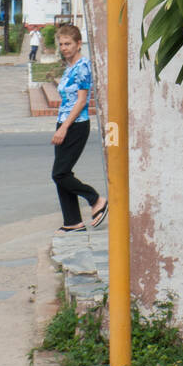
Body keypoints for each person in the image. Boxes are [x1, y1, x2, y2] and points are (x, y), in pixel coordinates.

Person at [51, 24, 107, 233]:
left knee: (60, 173)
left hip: (76, 125)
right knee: (62, 173)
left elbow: (82, 101)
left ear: (78, 44)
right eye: (61, 44)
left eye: (68, 44)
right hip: (64, 123)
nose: (64, 48)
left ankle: (96, 199)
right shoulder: (70, 67)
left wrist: (64, 128)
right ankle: (72, 221)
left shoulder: (83, 67)